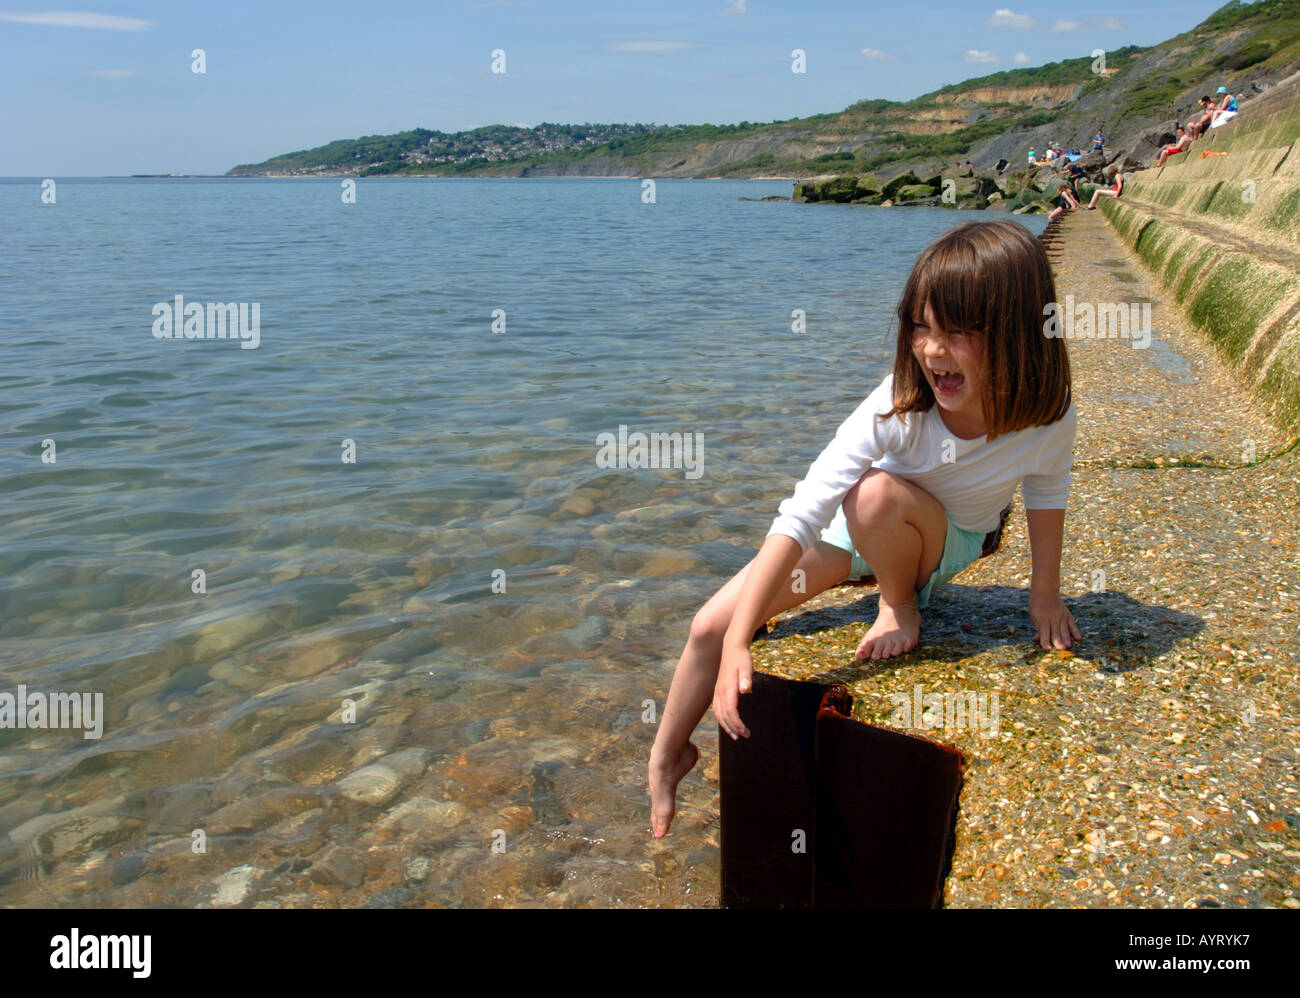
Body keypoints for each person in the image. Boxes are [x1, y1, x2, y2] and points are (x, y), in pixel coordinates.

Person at [648, 220, 1081, 838]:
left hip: (941, 534)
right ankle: (668, 757)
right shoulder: (897, 402)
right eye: (921, 326)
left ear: (1015, 332)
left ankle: (899, 603)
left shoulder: (1046, 416)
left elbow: (1046, 491)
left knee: (874, 495)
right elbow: (802, 510)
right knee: (709, 627)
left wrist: (1044, 595)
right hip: (860, 535)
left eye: (958, 332)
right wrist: (741, 635)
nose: (932, 350)